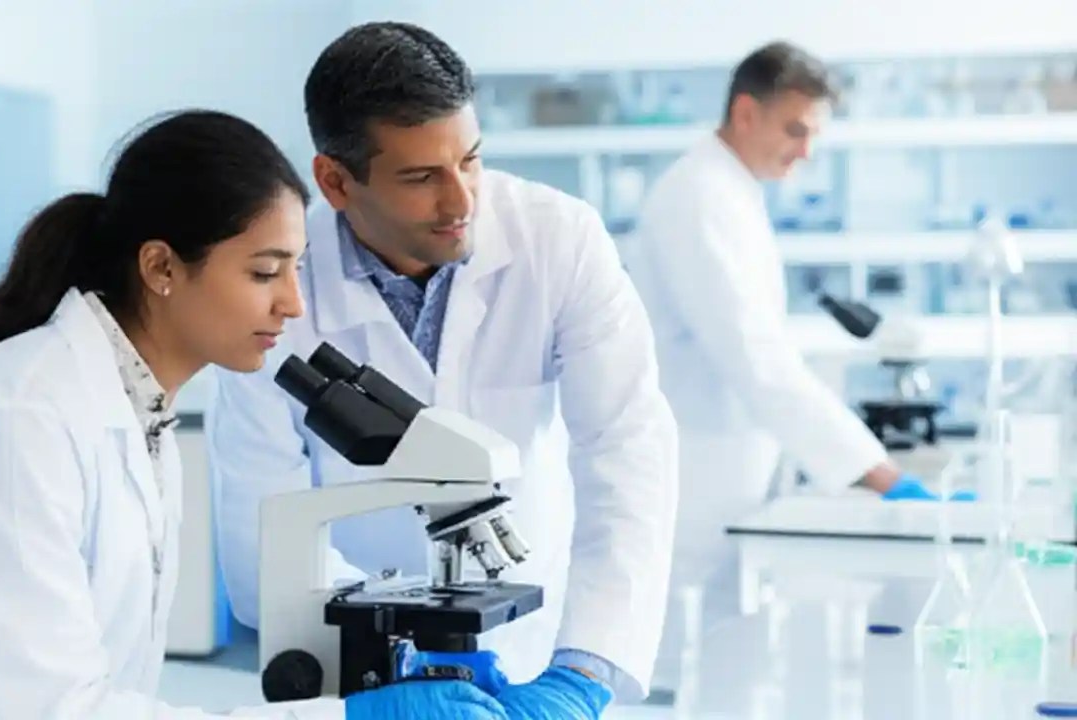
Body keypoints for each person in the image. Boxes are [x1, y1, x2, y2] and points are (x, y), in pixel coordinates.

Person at [0, 110, 505, 720]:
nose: (293, 304)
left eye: (296, 270)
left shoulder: (135, 411)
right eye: (265, 273)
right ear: (161, 267)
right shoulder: (16, 421)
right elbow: (61, 714)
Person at [207, 21, 679, 719]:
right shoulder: (273, 285)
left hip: (533, 657)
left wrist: (585, 671)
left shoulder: (559, 240)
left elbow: (627, 447)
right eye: (422, 177)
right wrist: (396, 672)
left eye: (471, 161)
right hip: (359, 677)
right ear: (336, 181)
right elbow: (259, 526)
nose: (461, 203)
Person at [633, 41, 962, 694]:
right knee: (667, 668)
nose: (806, 151)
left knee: (724, 660)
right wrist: (881, 474)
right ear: (746, 112)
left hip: (731, 471)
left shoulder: (732, 189)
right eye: (796, 130)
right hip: (696, 470)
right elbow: (756, 360)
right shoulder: (698, 195)